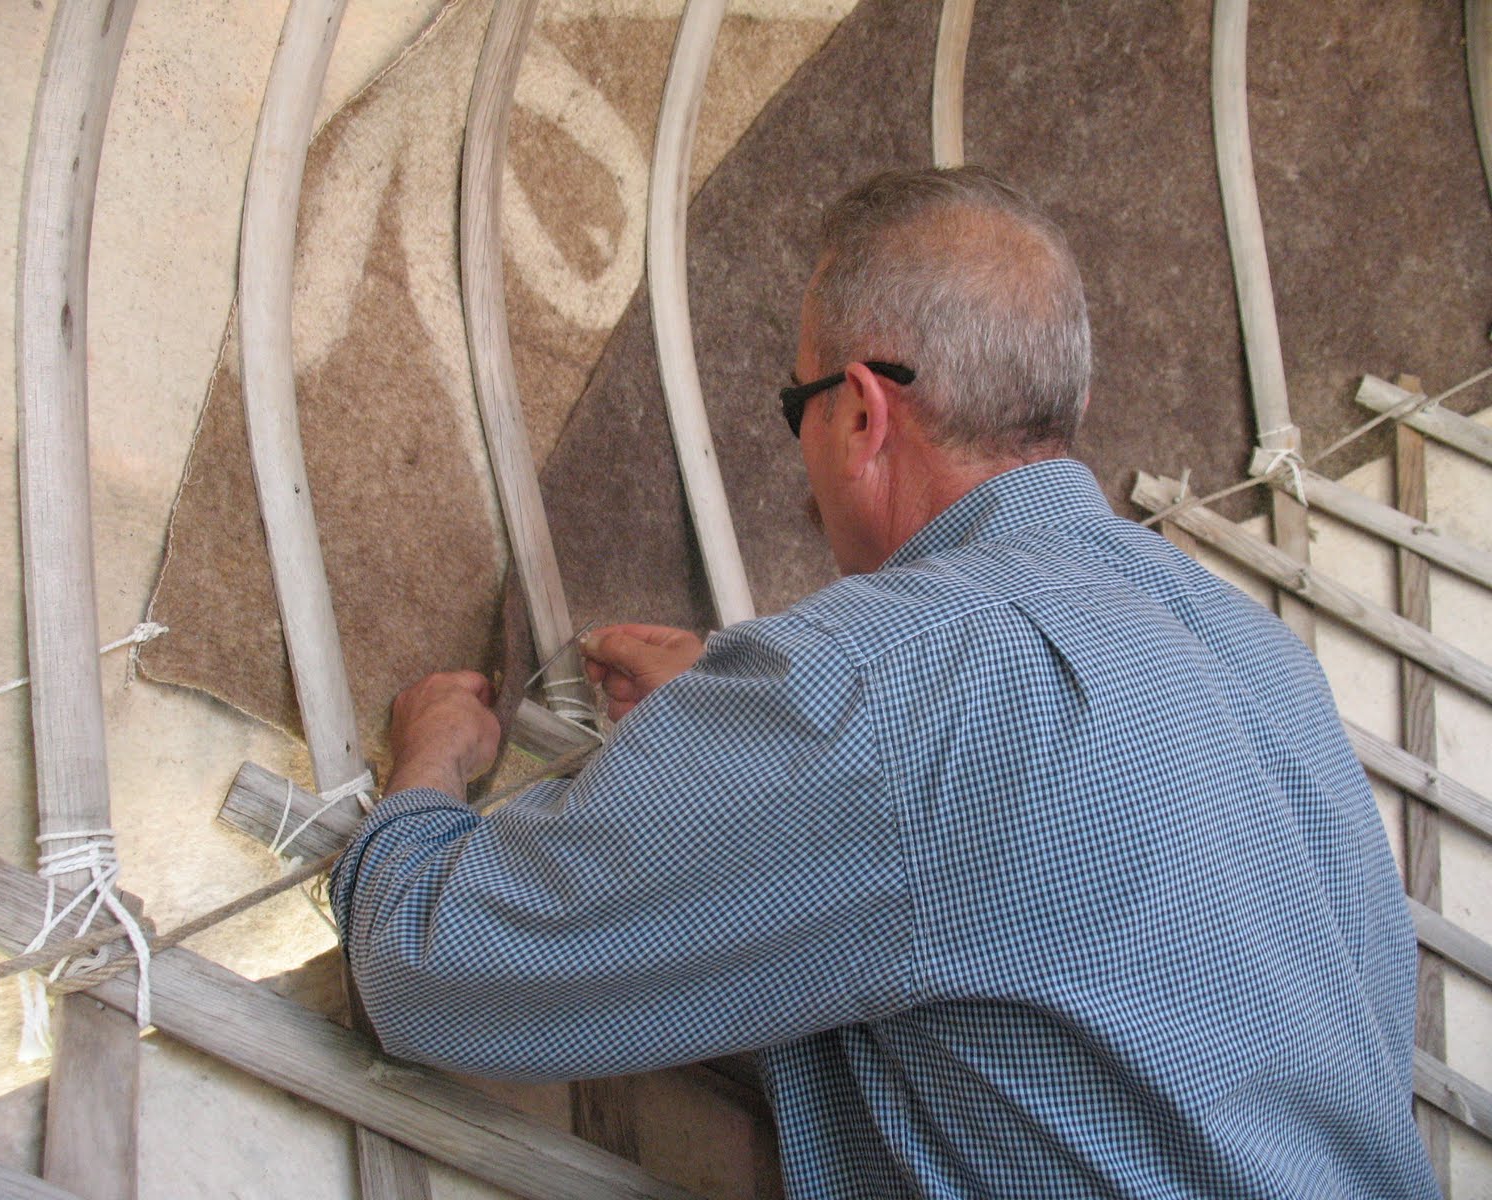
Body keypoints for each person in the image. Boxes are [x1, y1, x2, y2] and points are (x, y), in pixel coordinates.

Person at [330, 167, 1437, 1198]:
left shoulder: (869, 688)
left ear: (861, 412)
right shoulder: (1257, 658)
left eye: (796, 410)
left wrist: (433, 757)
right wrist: (737, 731)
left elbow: (431, 966)